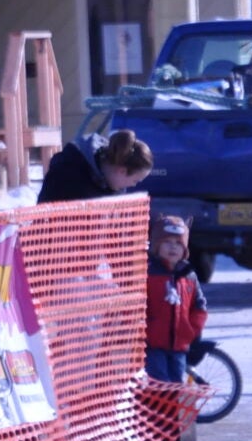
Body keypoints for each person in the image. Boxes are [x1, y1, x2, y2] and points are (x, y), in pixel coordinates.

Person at [144, 216, 208, 382]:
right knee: (160, 383)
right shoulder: (149, 273)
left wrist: (191, 330)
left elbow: (199, 306)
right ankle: (157, 408)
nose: (173, 247)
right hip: (153, 344)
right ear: (157, 246)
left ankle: (172, 409)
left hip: (179, 345)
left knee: (176, 383)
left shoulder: (188, 275)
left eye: (178, 243)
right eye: (167, 242)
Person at [38, 128, 157, 204]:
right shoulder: (68, 173)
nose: (133, 185)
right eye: (135, 180)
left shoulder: (113, 187)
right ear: (121, 171)